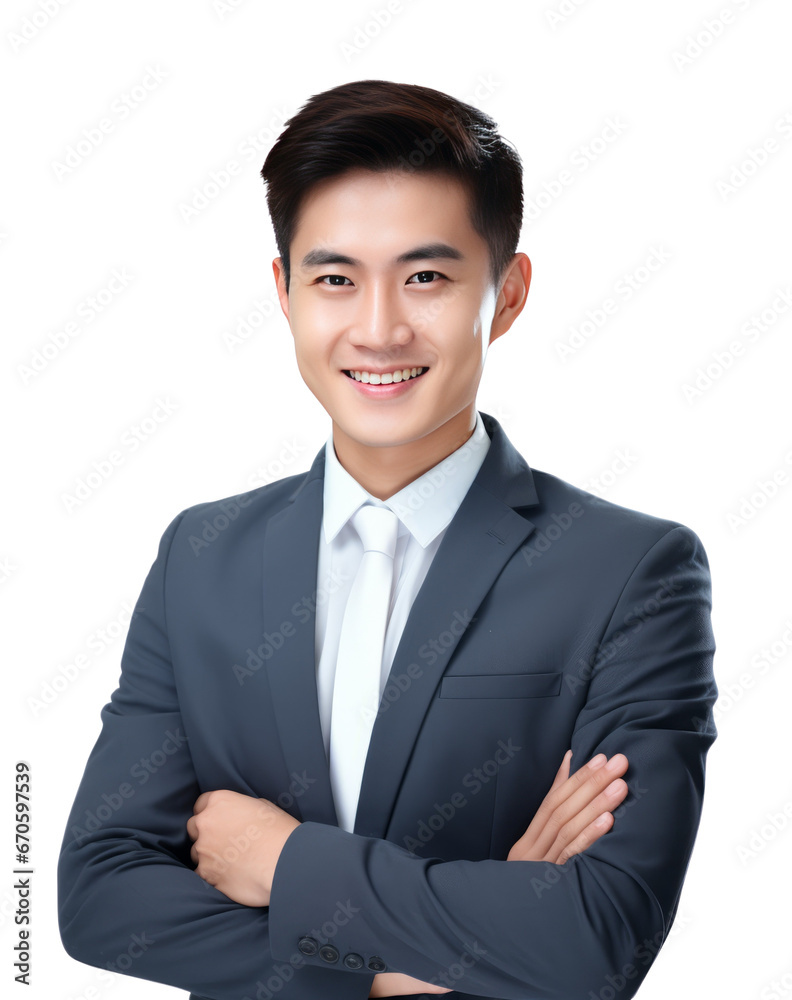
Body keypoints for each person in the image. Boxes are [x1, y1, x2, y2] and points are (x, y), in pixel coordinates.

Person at [58, 80, 718, 1000]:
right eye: (335, 279)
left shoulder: (629, 572)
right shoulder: (200, 558)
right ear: (285, 293)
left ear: (508, 295)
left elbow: (599, 936)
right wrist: (405, 974)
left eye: (426, 278)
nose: (378, 330)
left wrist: (283, 861)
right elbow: (100, 898)